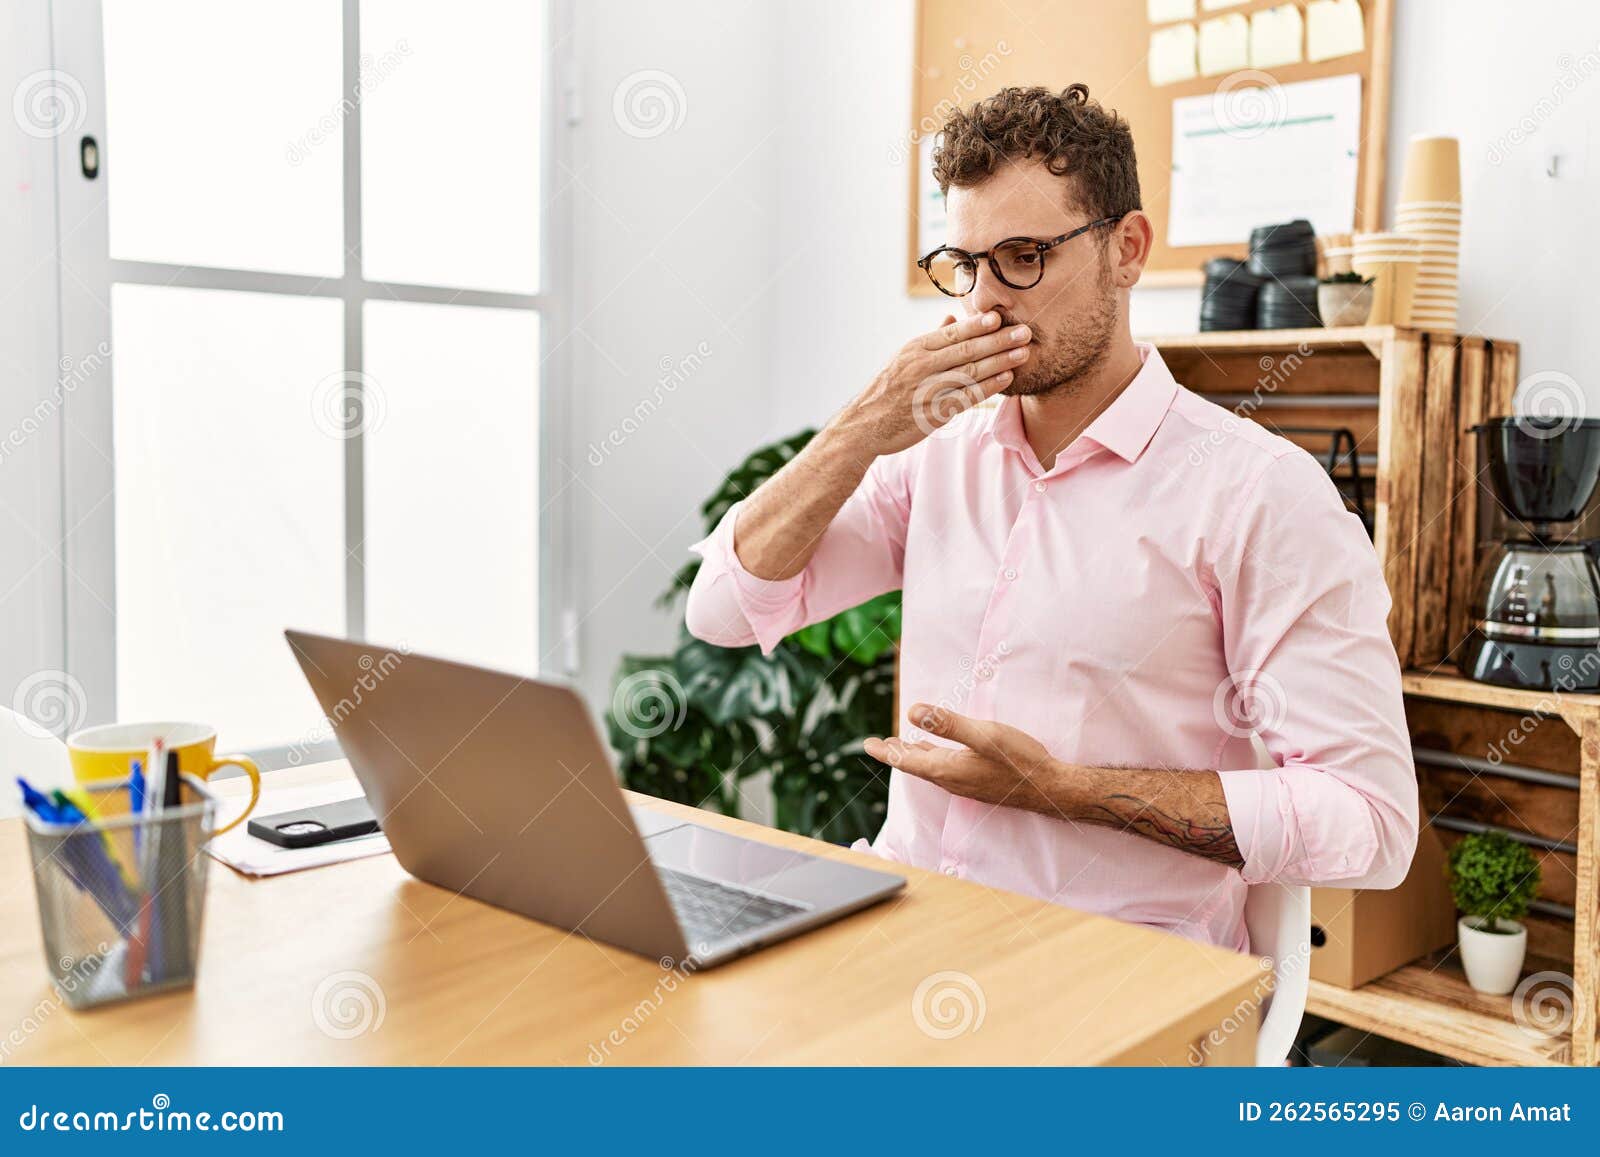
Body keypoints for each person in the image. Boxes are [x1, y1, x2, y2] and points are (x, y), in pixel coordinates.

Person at [683, 84, 1417, 950]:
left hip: (1113, 967)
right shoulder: (935, 456)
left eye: (1024, 255)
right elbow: (724, 611)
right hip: (906, 926)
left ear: (1127, 250)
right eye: (965, 264)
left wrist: (1064, 789)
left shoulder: (1260, 493)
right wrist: (863, 425)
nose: (984, 302)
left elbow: (1371, 823)